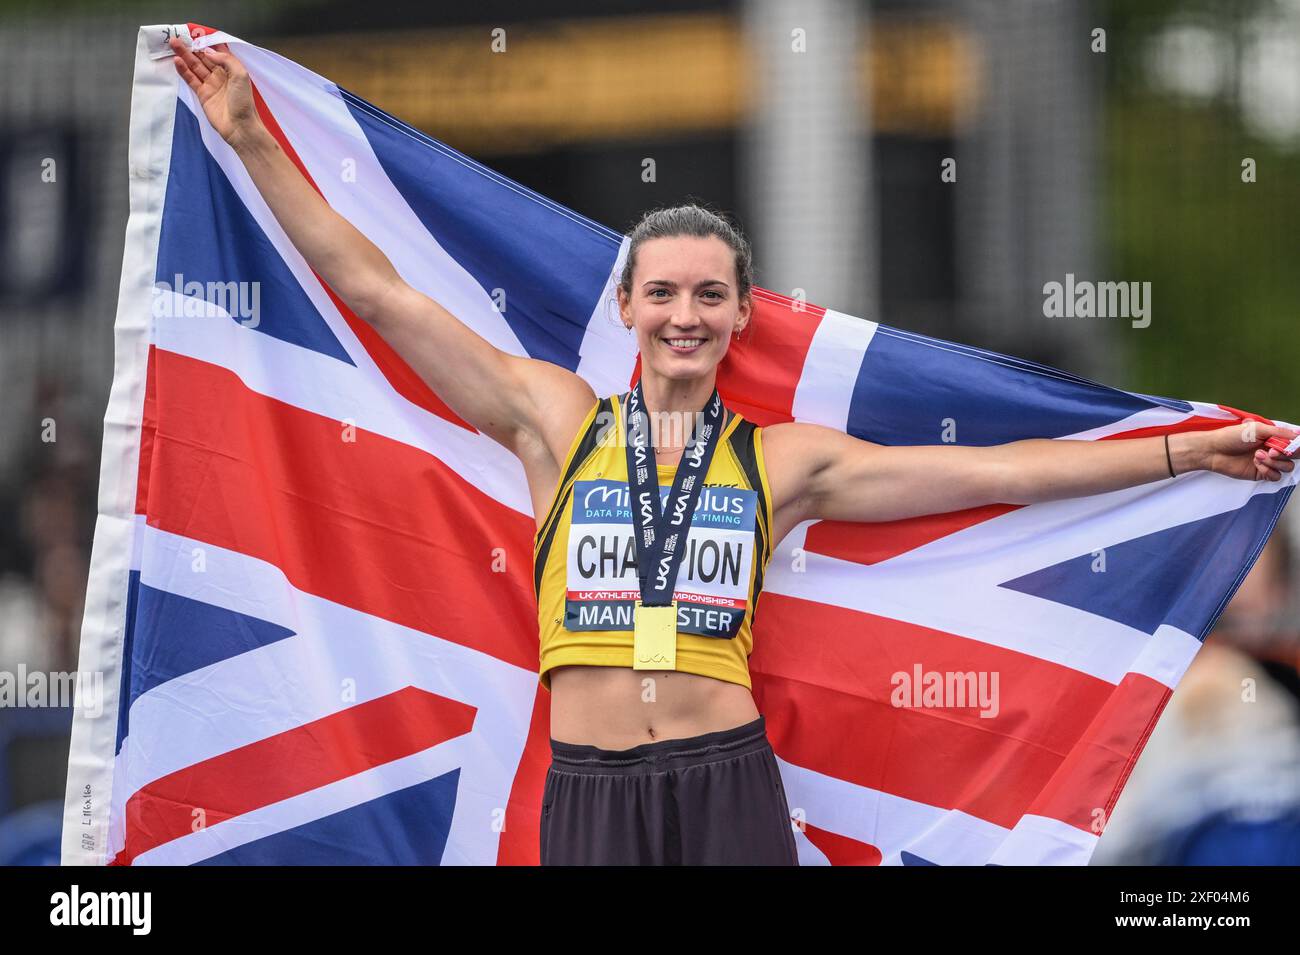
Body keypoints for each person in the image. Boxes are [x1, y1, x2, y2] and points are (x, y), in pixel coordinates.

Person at [168, 39, 1298, 866]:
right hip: (592, 789)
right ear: (629, 302)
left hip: (724, 780)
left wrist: (1184, 456)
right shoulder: (554, 421)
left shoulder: (783, 463)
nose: (684, 314)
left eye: (709, 293)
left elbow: (1002, 474)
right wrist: (255, 139)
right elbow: (374, 291)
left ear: (740, 312)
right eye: (663, 292)